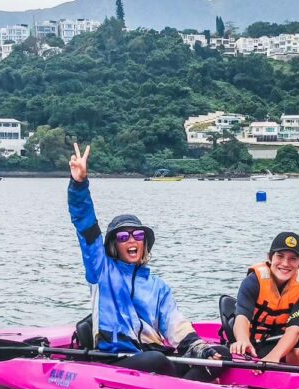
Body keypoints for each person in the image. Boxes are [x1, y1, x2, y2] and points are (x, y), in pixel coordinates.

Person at [65, 143, 224, 376]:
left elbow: (175, 324)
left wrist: (200, 349)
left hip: (155, 355)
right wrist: (79, 185)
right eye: (123, 236)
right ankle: (185, 388)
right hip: (119, 360)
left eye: (138, 235)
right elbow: (85, 226)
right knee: (155, 360)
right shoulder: (101, 270)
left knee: (220, 354)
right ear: (113, 245)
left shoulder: (158, 287)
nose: (132, 240)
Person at [223, 231, 299, 368]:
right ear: (270, 258)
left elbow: (295, 330)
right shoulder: (253, 282)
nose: (285, 263)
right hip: (253, 344)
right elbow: (242, 317)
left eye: (293, 259)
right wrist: (243, 341)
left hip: (281, 341)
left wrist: (274, 356)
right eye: (280, 256)